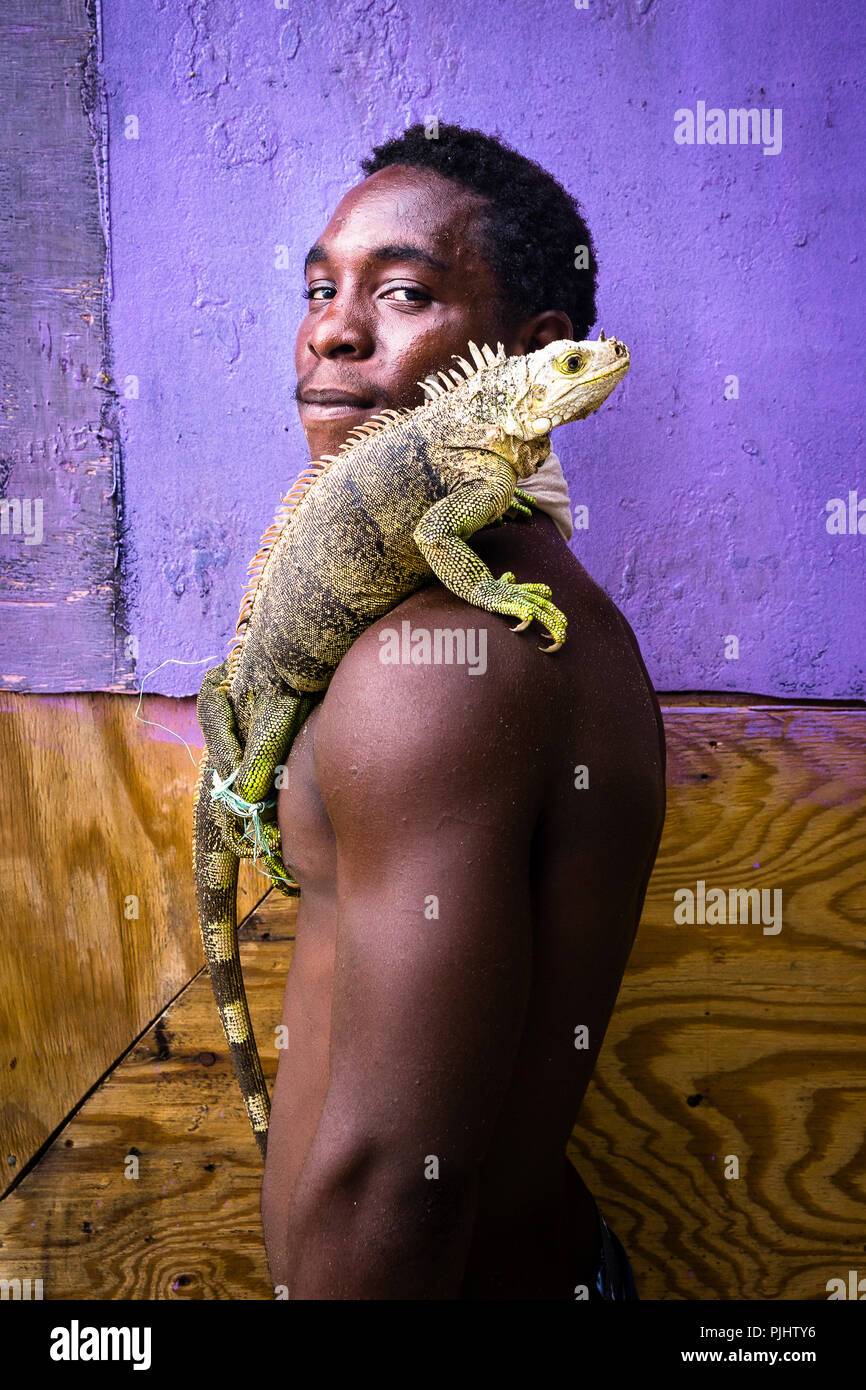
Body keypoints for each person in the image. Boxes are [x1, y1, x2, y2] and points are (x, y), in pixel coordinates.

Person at [259, 123, 665, 1299]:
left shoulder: (437, 660)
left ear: (538, 351)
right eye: (319, 288)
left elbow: (397, 1181)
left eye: (401, 291)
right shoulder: (523, 617)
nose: (331, 329)